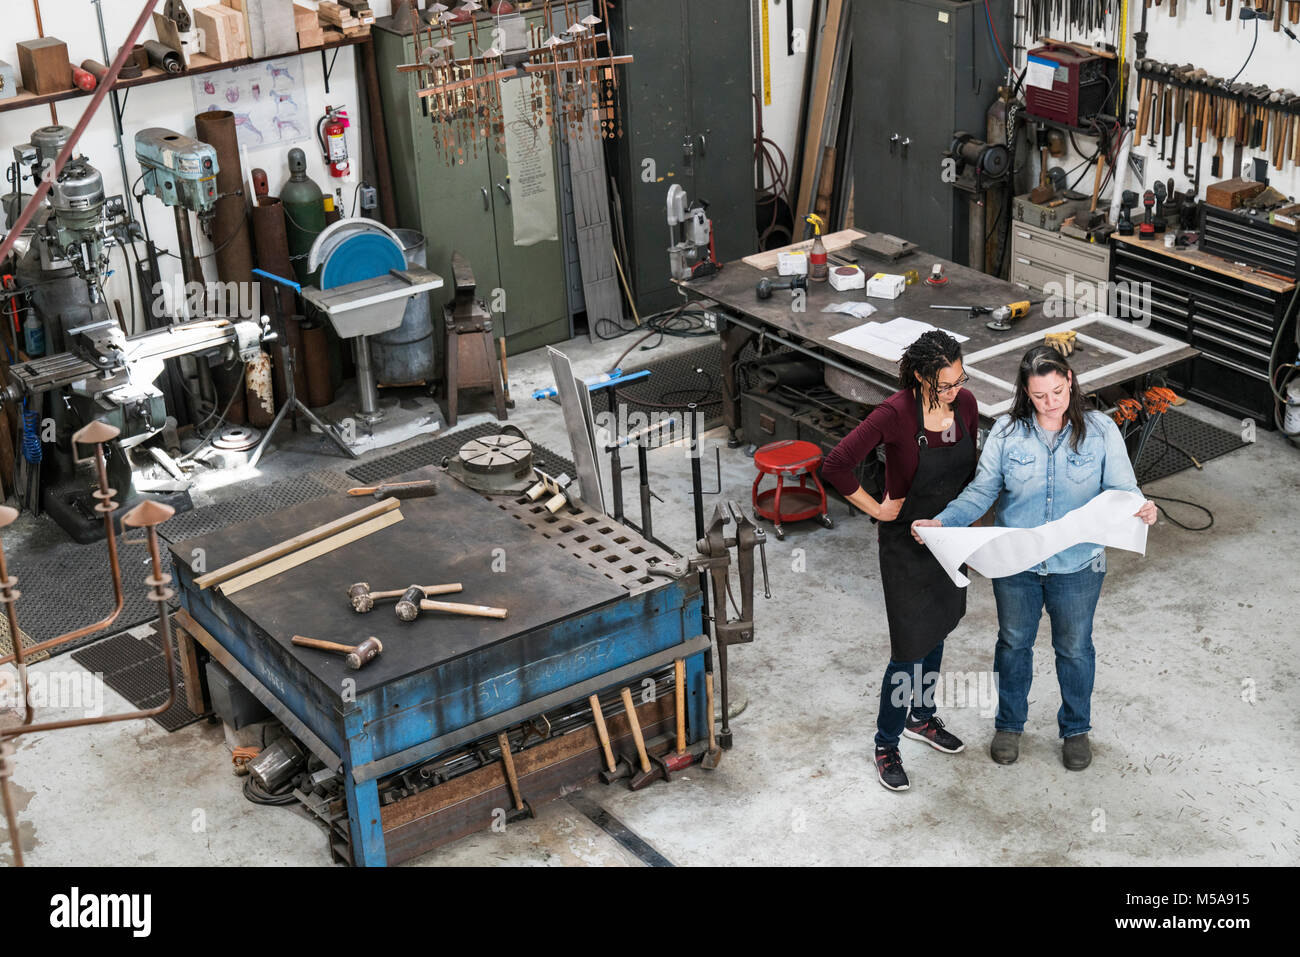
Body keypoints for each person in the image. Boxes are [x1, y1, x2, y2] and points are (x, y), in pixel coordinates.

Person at [913, 345, 1157, 771]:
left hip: (1078, 565)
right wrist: (945, 522)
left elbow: (1123, 489)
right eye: (1040, 396)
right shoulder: (1008, 432)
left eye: (1059, 392)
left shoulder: (1100, 430)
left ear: (1070, 382)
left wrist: (1142, 507)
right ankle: (1009, 725)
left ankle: (1076, 729)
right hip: (1017, 564)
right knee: (1013, 644)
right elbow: (982, 490)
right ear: (1026, 393)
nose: (1051, 403)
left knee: (1076, 648)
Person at [821, 331, 978, 791]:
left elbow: (972, 474)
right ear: (920, 377)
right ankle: (886, 741)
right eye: (945, 384)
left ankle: (922, 717)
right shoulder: (894, 413)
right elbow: (836, 464)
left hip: (949, 537)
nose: (955, 391)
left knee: (939, 628)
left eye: (959, 380)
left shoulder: (965, 406)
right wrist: (878, 508)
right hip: (905, 545)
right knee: (908, 649)